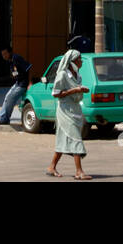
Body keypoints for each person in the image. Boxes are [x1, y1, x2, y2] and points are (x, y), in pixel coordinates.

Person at [47, 49, 91, 179]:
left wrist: (81, 90)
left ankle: (51, 167)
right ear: (71, 62)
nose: (81, 61)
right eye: (79, 59)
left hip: (75, 110)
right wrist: (74, 90)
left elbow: (77, 91)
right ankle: (79, 172)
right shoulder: (62, 75)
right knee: (76, 138)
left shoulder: (78, 75)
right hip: (65, 111)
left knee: (63, 140)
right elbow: (55, 93)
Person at [0, 45, 32, 125]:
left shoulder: (16, 58)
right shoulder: (10, 61)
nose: (4, 56)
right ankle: (3, 118)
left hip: (23, 84)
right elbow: (15, 73)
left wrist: (30, 83)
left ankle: (5, 119)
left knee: (10, 98)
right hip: (18, 83)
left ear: (10, 52)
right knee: (7, 97)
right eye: (2, 55)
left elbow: (29, 68)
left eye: (5, 54)